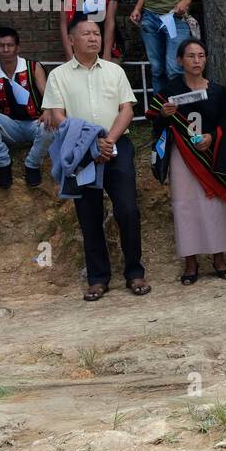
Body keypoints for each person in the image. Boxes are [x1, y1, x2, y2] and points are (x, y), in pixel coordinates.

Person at [41, 18, 148, 301]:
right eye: (86, 33)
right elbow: (57, 115)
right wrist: (89, 142)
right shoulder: (59, 75)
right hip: (79, 152)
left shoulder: (114, 71)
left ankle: (135, 273)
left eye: (97, 33)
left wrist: (109, 140)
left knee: (127, 210)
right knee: (89, 215)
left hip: (116, 146)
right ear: (72, 40)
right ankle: (98, 278)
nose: (93, 38)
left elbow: (126, 109)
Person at [149, 38, 226, 285]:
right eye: (191, 56)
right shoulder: (169, 91)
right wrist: (164, 117)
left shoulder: (217, 90)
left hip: (211, 155)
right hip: (182, 156)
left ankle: (219, 257)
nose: (197, 61)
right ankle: (190, 260)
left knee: (214, 205)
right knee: (185, 206)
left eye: (201, 56)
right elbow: (156, 124)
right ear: (179, 60)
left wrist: (212, 136)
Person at [0, 26, 54, 189]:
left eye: (10, 45)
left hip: (35, 124)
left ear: (18, 47)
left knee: (51, 123)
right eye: (0, 45)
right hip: (10, 127)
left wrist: (47, 110)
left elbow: (47, 93)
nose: (6, 49)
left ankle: (32, 164)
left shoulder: (33, 67)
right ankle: (3, 163)